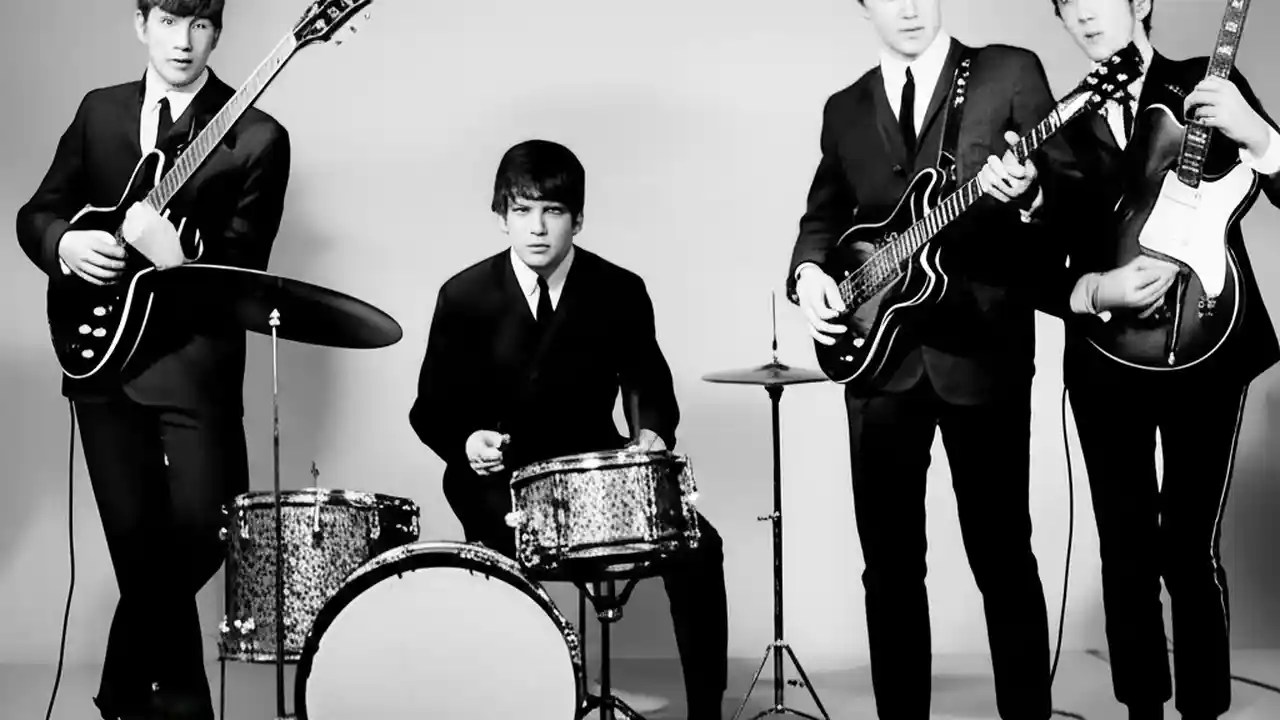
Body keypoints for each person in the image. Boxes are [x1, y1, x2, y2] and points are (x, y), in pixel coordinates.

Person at [786, 1, 1081, 717]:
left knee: (1004, 561)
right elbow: (824, 217)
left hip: (982, 354)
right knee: (887, 571)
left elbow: (1073, 192)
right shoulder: (845, 106)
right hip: (878, 360)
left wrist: (1033, 192)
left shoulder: (1007, 71)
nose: (911, 7)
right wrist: (811, 276)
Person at [15, 1, 292, 718]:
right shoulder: (99, 112)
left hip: (194, 367)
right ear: (141, 24)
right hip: (102, 360)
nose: (184, 41)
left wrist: (179, 257)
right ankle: (169, 711)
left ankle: (120, 693)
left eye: (201, 26)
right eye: (170, 21)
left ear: (218, 35)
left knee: (202, 533)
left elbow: (244, 274)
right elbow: (37, 212)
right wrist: (64, 247)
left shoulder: (258, 135)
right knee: (139, 552)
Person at [408, 139, 728, 720]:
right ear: (501, 216)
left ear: (578, 219)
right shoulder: (463, 295)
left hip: (594, 469)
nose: (537, 228)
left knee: (701, 548)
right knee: (501, 560)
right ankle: (525, 699)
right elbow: (429, 408)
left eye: (553, 212)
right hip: (499, 477)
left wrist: (650, 435)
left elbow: (650, 387)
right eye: (522, 211)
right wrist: (465, 442)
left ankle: (706, 714)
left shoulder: (620, 289)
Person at [1045, 1, 1280, 719]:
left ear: (1141, 0)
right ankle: (1142, 708)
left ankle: (1204, 710)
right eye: (1066, 3)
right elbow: (1028, 260)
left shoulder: (1206, 83)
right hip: (1105, 360)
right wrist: (1088, 289)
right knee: (1124, 548)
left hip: (1209, 343)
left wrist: (1261, 138)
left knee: (1187, 546)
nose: (1083, 14)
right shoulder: (1054, 123)